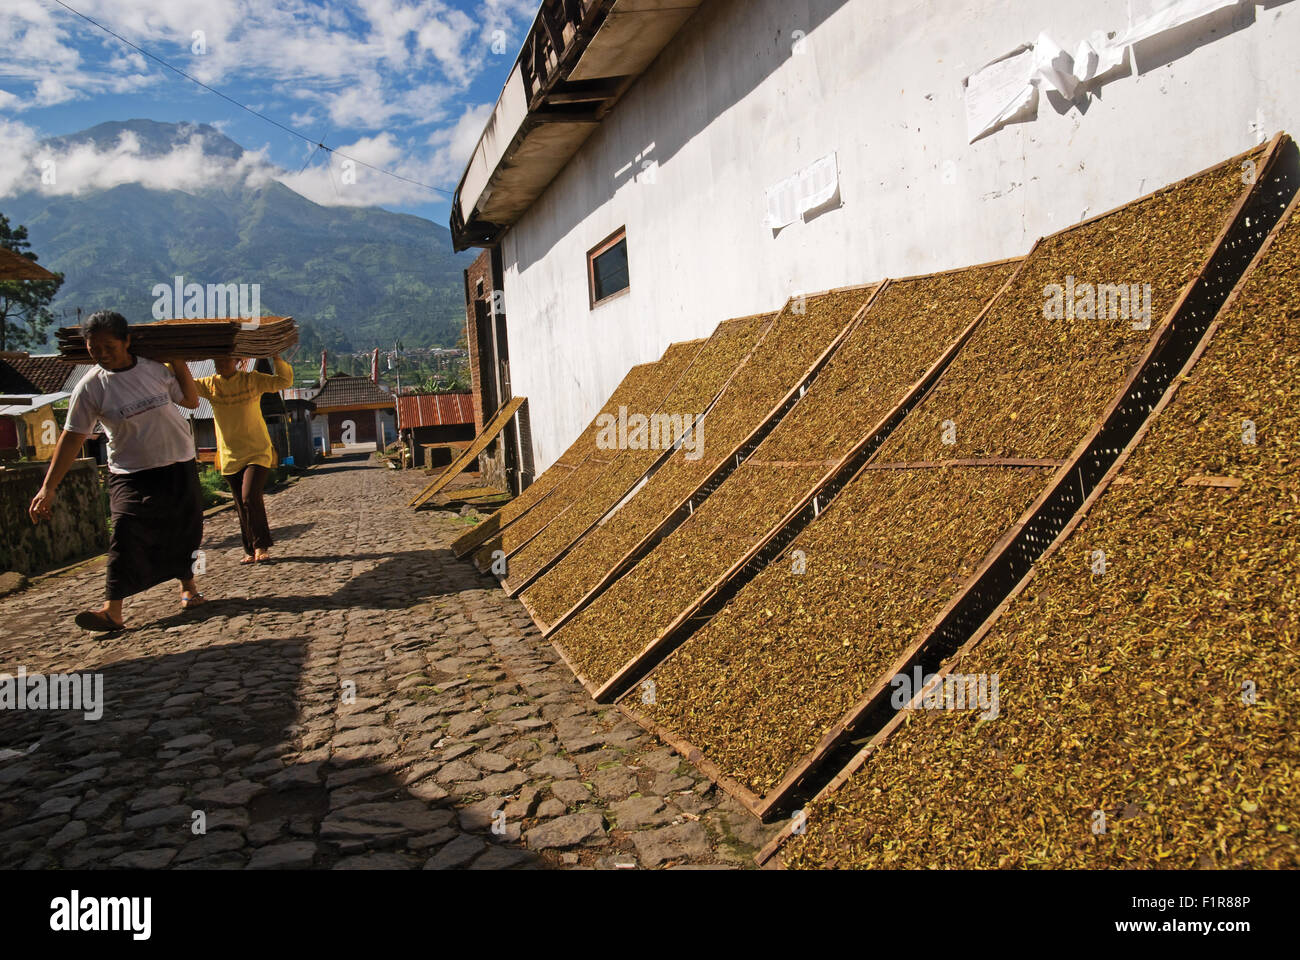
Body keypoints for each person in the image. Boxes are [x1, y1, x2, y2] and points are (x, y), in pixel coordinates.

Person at [29, 310, 205, 631]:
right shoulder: (91, 387)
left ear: (127, 341)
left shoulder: (154, 369)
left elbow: (192, 402)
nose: (102, 354)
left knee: (186, 530)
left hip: (179, 461)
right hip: (131, 472)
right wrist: (48, 487)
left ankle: (189, 589)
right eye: (94, 349)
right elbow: (72, 437)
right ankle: (112, 611)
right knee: (124, 531)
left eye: (109, 346)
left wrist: (178, 362)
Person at [195, 354, 293, 563]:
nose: (221, 363)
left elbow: (284, 382)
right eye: (217, 361)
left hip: (257, 451)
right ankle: (249, 550)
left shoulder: (252, 380)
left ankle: (261, 546)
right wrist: (173, 360)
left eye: (226, 360)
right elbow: (181, 385)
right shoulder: (210, 385)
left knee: (250, 497)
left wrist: (276, 357)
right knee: (240, 504)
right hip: (230, 455)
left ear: (238, 361)